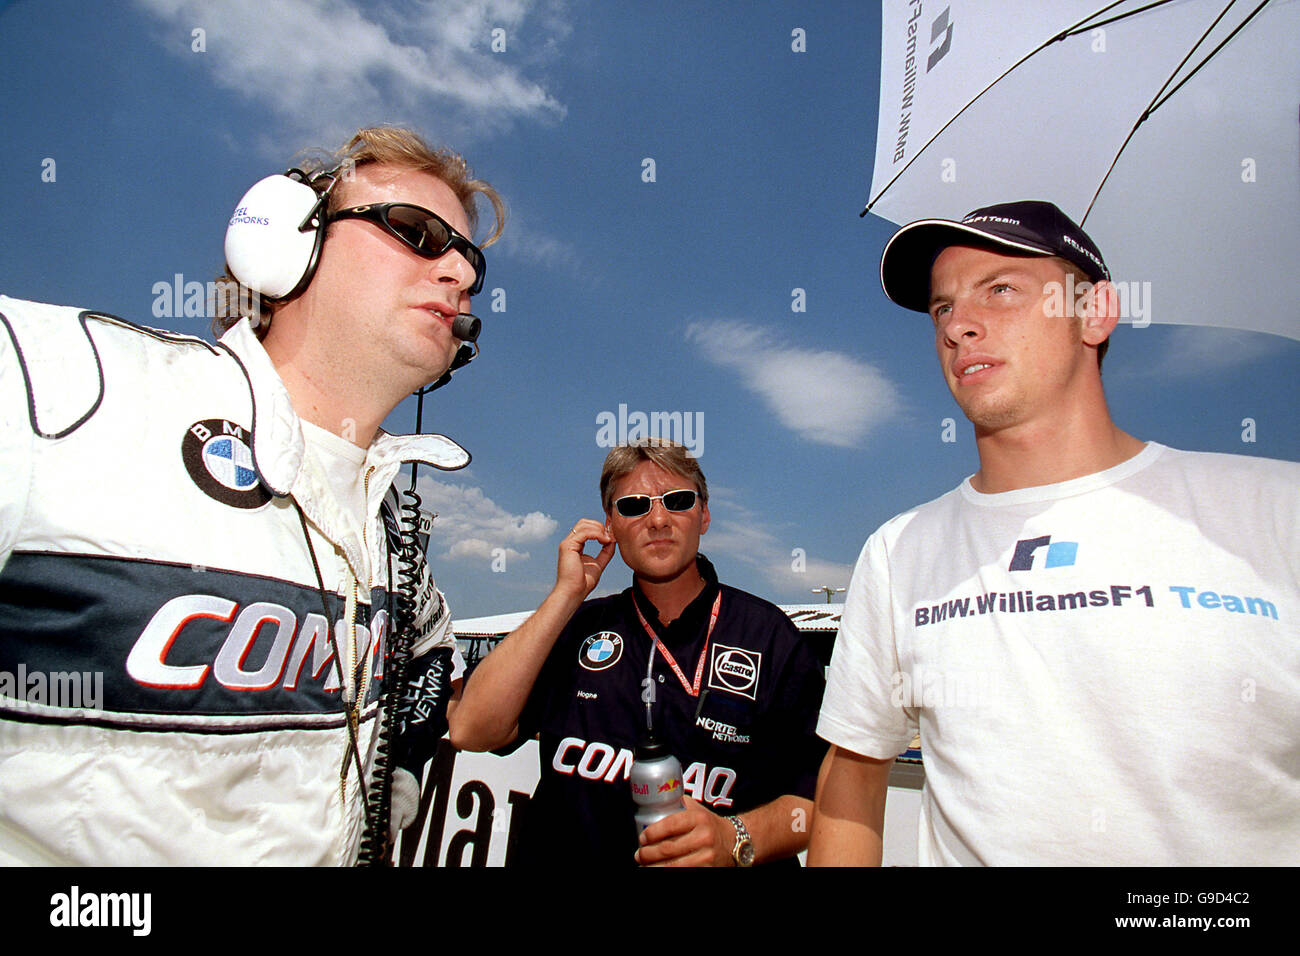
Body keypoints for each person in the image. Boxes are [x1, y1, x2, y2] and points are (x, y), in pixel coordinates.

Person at [0, 126, 504, 865]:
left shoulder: (399, 543)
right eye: (418, 233)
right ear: (283, 242)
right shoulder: (56, 384)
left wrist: (392, 793)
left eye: (472, 261)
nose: (458, 269)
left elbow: (426, 681)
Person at [810, 200, 1299, 866]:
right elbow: (853, 775)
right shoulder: (900, 552)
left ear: (1095, 313)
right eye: (943, 309)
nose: (960, 328)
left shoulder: (1275, 513)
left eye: (1000, 290)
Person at [450, 440, 827, 866]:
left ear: (704, 515)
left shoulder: (771, 637)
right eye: (634, 506)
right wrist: (565, 595)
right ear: (609, 524)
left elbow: (819, 803)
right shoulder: (574, 626)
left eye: (679, 500)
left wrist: (732, 836)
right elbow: (470, 730)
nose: (659, 519)